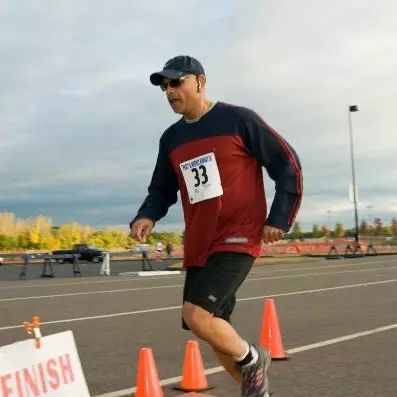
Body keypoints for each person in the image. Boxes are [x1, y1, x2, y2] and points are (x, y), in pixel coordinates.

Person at [130, 55, 303, 397]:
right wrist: (147, 214)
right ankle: (257, 390)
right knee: (211, 329)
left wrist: (280, 218)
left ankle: (254, 359)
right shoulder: (171, 139)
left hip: (238, 234)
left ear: (200, 81)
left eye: (176, 82)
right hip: (200, 242)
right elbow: (162, 187)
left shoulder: (239, 120)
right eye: (164, 86)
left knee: (197, 315)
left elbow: (287, 164)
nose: (169, 91)